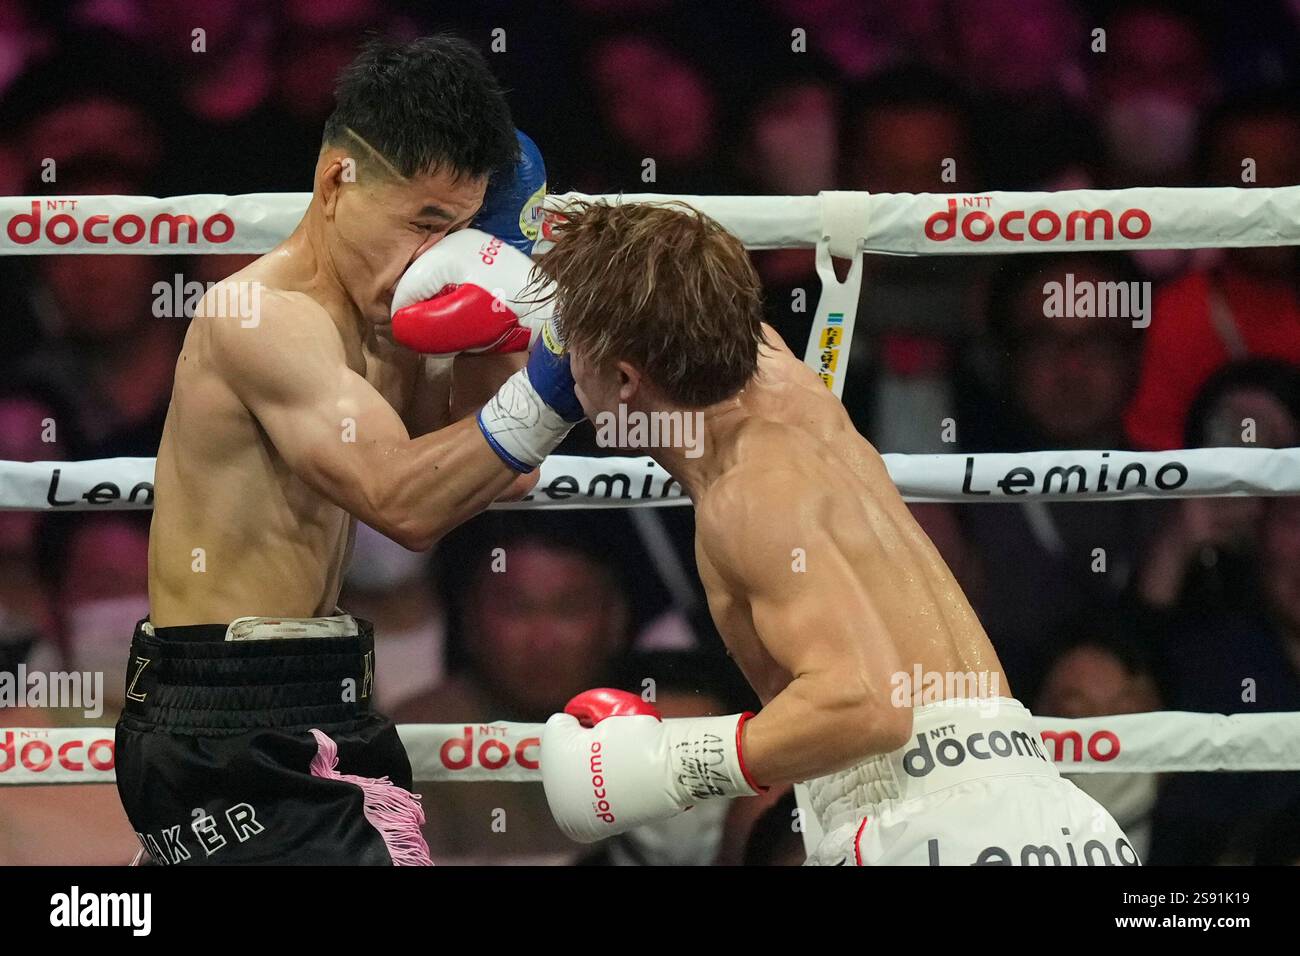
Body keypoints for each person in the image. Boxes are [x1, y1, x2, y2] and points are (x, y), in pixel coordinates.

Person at [533, 201, 1138, 866]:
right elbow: (687, 288)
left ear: (623, 379)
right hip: (1039, 817)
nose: (557, 361)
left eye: (568, 344)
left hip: (932, 830)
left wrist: (673, 763)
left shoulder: (747, 495)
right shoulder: (794, 401)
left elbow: (869, 705)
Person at [116, 35, 582, 866]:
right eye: (425, 222)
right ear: (339, 179)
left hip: (310, 693)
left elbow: (495, 473)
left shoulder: (395, 322)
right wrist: (563, 377)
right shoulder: (261, 317)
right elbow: (405, 504)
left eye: (462, 228)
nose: (433, 254)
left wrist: (509, 288)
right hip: (236, 716)